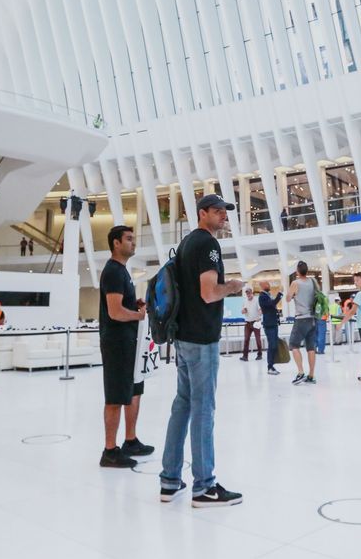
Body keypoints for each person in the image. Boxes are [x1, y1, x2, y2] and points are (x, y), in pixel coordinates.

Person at [159, 194, 244, 507]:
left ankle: (170, 479)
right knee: (203, 408)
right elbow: (209, 294)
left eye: (225, 211)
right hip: (201, 339)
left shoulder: (185, 244)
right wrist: (232, 287)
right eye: (218, 211)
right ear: (202, 213)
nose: (223, 216)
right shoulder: (208, 245)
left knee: (182, 405)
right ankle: (204, 486)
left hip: (183, 337)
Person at [98, 225, 154, 468]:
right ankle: (110, 450)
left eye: (133, 239)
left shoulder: (122, 272)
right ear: (116, 243)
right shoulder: (113, 272)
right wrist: (138, 315)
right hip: (117, 344)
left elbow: (123, 305)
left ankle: (130, 440)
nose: (134, 243)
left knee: (133, 391)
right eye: (129, 239)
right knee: (115, 396)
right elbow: (115, 312)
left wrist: (135, 303)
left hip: (130, 343)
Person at [285, 260, 319, 384]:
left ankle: (300, 372)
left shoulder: (295, 283)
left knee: (294, 345)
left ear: (297, 271)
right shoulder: (313, 281)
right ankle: (311, 375)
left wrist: (293, 295)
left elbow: (288, 298)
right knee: (311, 347)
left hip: (301, 319)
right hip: (312, 318)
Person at [259, 280, 282, 375]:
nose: (269, 285)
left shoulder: (267, 295)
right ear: (262, 286)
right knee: (272, 345)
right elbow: (272, 304)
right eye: (267, 284)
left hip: (273, 323)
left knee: (274, 345)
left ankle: (272, 365)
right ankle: (270, 366)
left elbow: (273, 306)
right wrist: (280, 293)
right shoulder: (262, 297)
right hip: (269, 325)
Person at [240, 286, 263, 361]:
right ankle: (245, 356)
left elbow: (260, 309)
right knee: (246, 339)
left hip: (256, 322)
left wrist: (260, 315)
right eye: (247, 293)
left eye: (249, 293)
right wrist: (243, 311)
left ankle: (259, 354)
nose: (248, 295)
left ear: (252, 293)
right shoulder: (245, 301)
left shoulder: (257, 300)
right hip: (247, 323)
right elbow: (242, 311)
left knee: (258, 339)